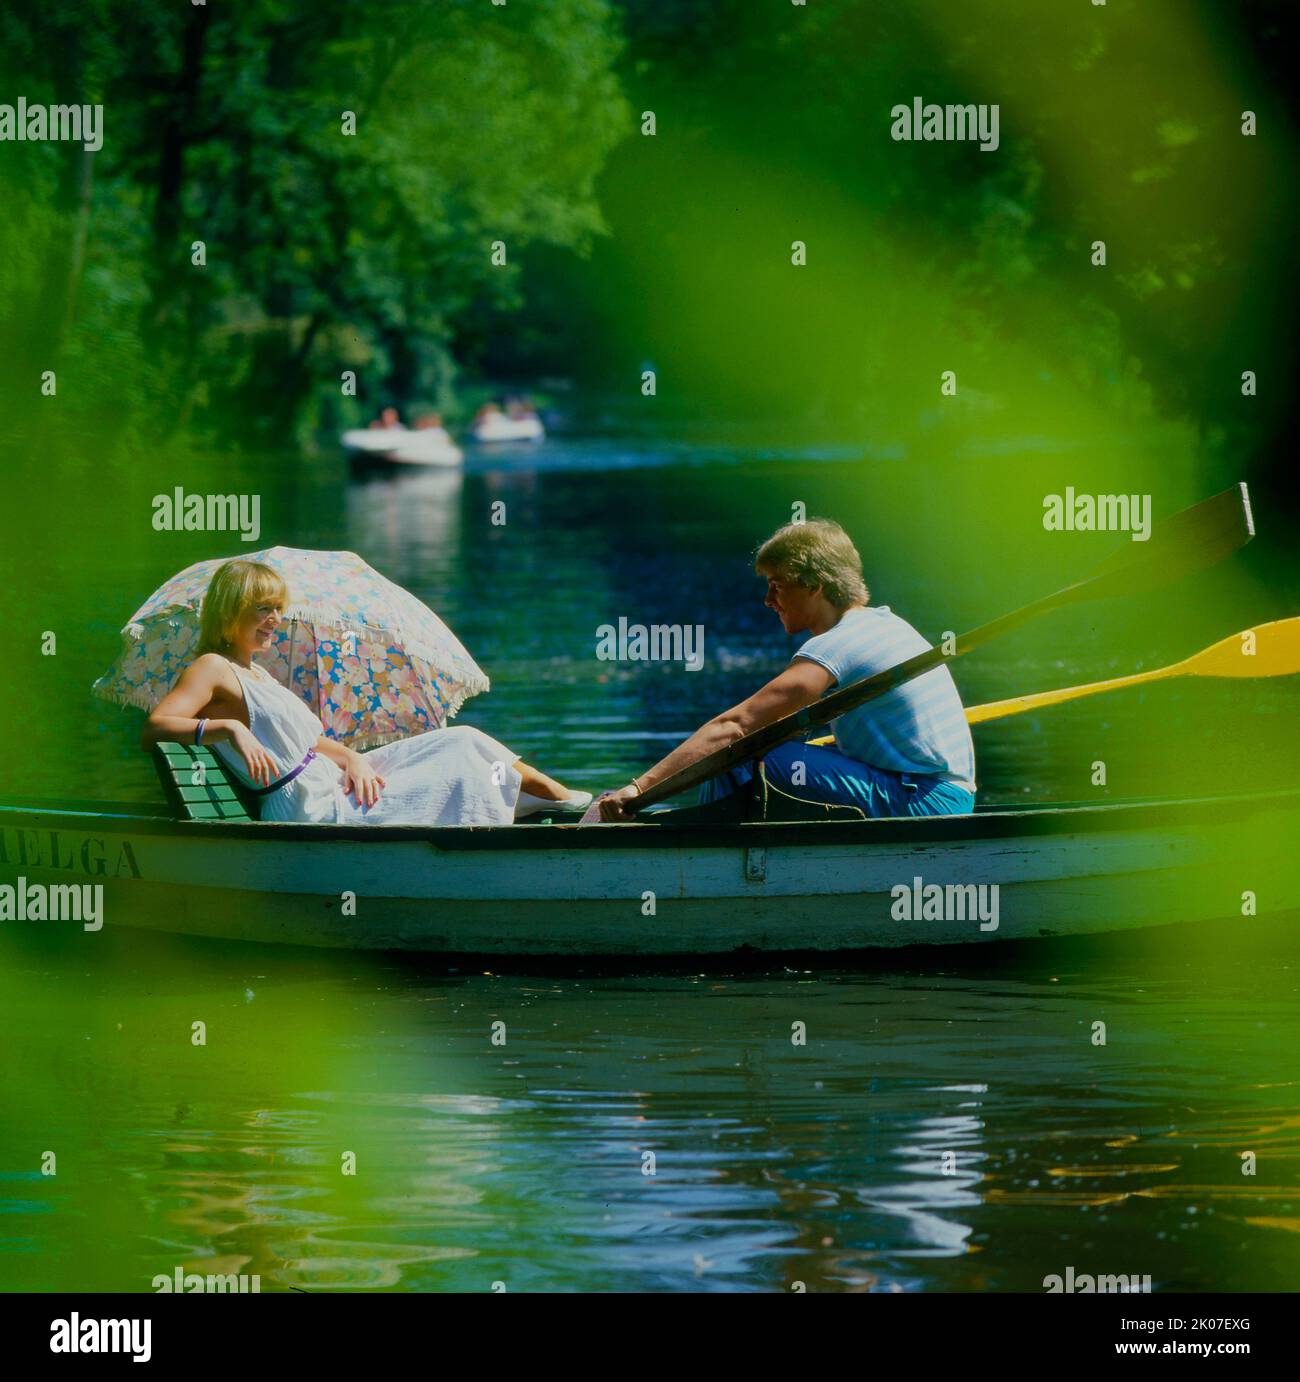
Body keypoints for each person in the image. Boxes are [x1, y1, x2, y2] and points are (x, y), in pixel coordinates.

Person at [141, 560, 590, 825]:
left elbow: (311, 744)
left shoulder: (256, 672)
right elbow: (155, 727)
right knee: (460, 760)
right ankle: (553, 806)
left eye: (279, 609)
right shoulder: (212, 667)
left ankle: (553, 798)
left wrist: (354, 757)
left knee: (462, 739)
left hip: (328, 775)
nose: (275, 619)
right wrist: (227, 730)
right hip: (308, 804)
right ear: (231, 610)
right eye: (263, 609)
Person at [596, 518, 976, 821]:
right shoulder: (886, 624)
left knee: (739, 754)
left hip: (923, 802)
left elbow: (735, 727)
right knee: (767, 754)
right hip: (936, 795)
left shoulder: (839, 644)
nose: (767, 601)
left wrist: (638, 789)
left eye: (777, 587)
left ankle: (708, 856)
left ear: (814, 585)